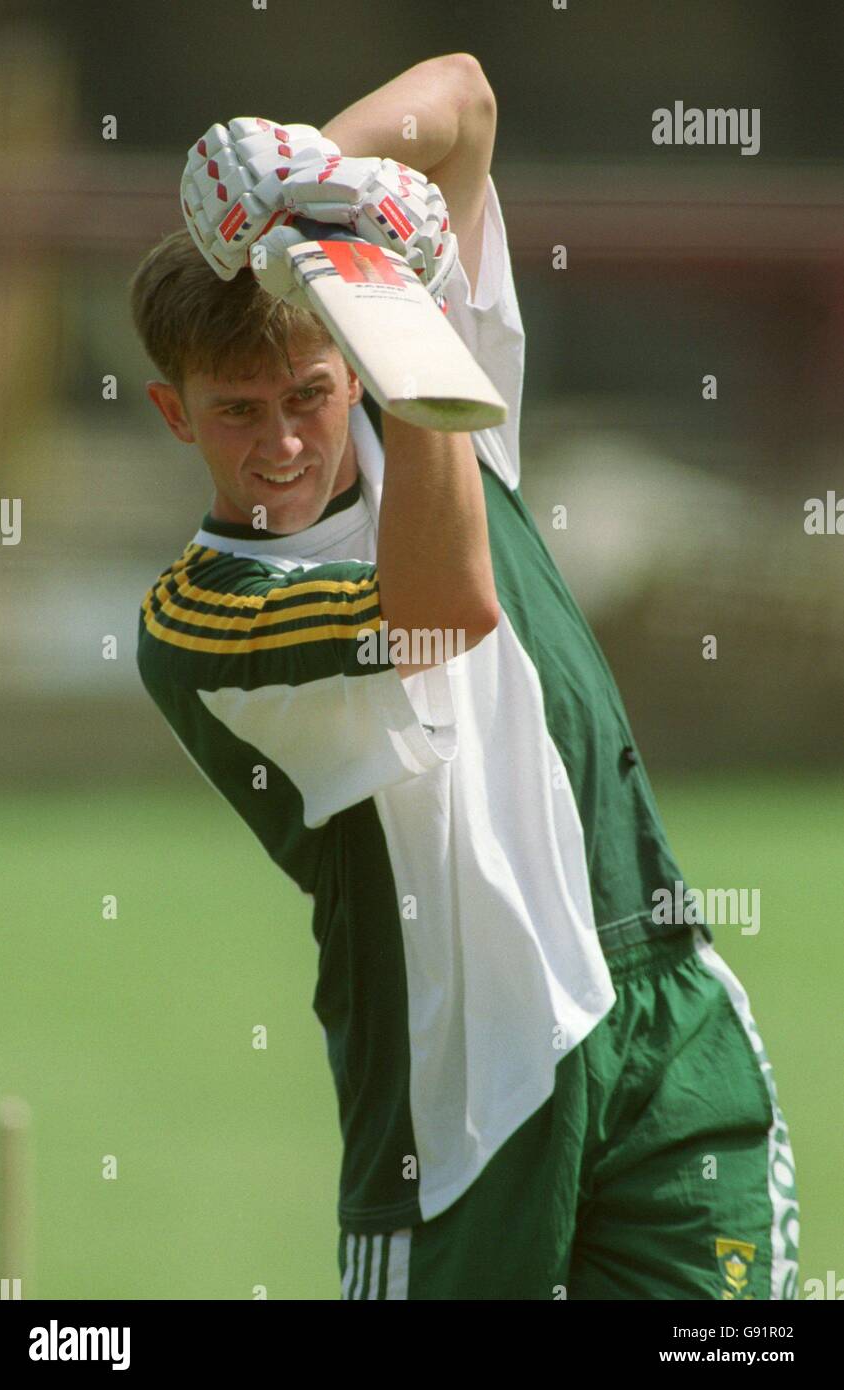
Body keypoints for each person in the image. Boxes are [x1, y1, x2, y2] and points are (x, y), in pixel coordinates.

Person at [130, 53, 799, 1300]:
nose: (281, 442)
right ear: (176, 416)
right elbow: (446, 611)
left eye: (308, 395)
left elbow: (467, 99)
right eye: (236, 412)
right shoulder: (202, 619)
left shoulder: (419, 414)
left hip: (664, 1029)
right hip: (456, 1110)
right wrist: (395, 295)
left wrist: (312, 180)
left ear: (342, 370)